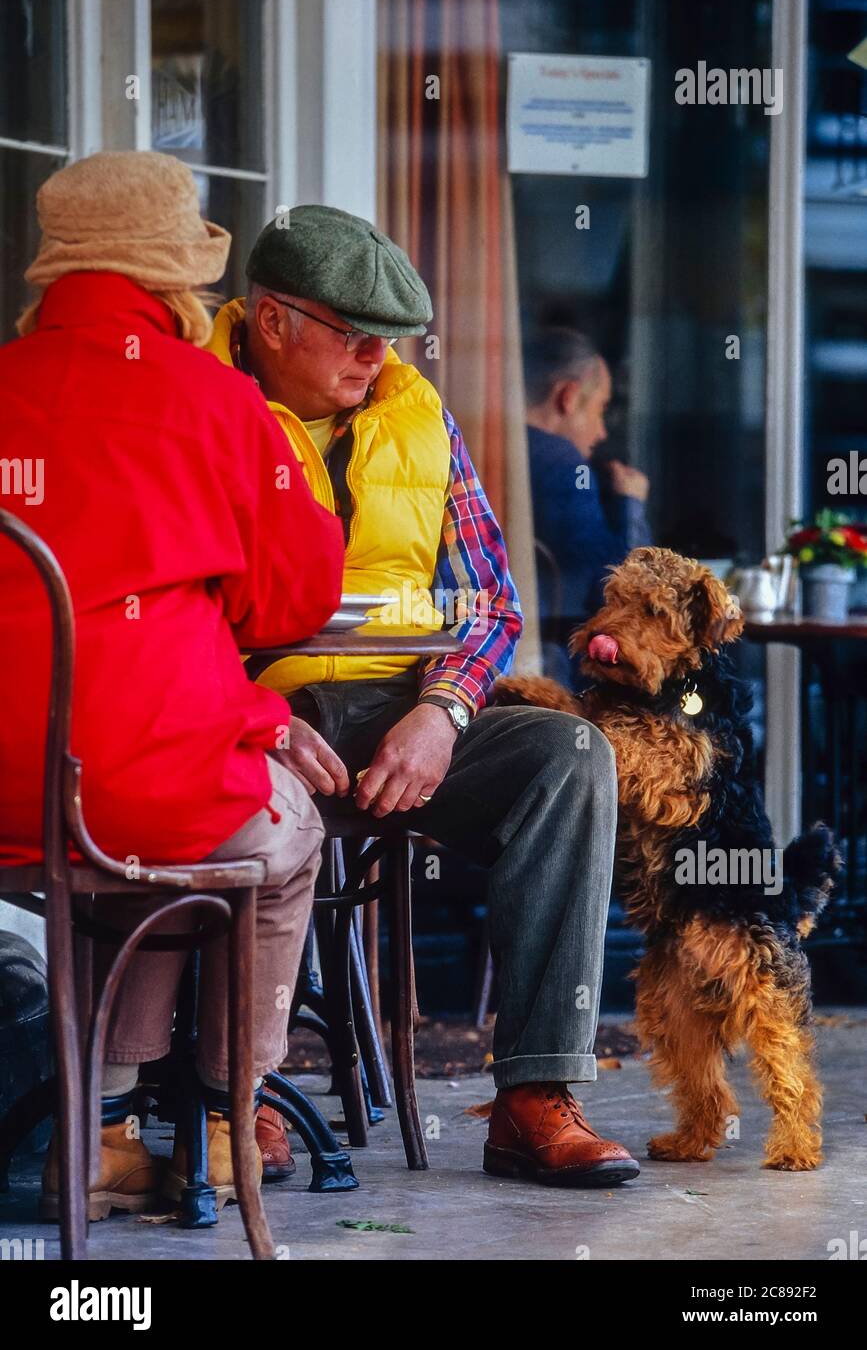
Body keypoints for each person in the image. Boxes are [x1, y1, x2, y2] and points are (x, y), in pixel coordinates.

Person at [208, 205, 640, 1189]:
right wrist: (253, 723)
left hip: (396, 708)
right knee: (200, 784)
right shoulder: (199, 404)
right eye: (352, 332)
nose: (376, 355)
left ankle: (536, 1094)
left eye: (387, 335)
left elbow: (490, 599)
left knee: (569, 757)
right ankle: (237, 1095)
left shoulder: (417, 412)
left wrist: (443, 712)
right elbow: (166, 605)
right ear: (272, 323)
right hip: (245, 713)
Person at [0, 153, 344, 1219]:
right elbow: (293, 601)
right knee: (270, 839)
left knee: (136, 839)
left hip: (12, 799)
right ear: (176, 287)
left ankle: (101, 1127)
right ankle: (233, 1115)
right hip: (151, 788)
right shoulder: (215, 398)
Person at [525, 328, 652, 686]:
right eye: (600, 409)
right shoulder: (563, 463)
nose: (601, 433)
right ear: (568, 396)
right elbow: (614, 587)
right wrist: (631, 503)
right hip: (555, 666)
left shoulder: (484, 443)